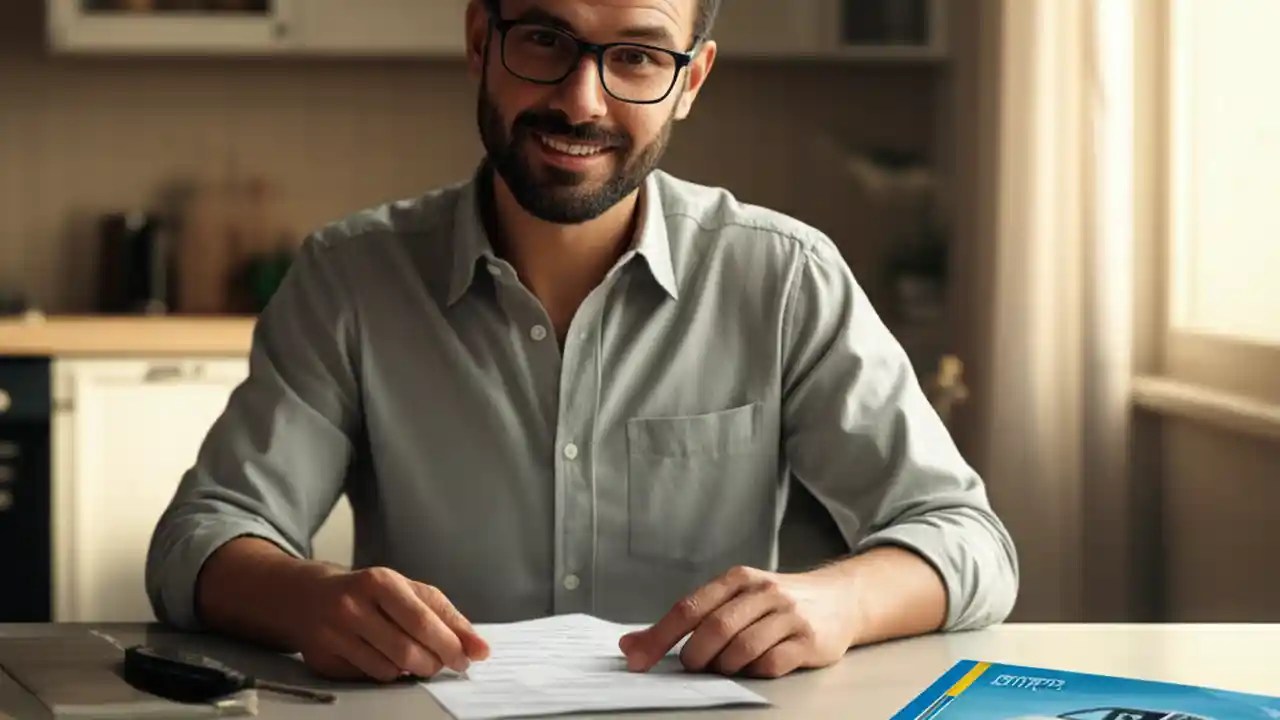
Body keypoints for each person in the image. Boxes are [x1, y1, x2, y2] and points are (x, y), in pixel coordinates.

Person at [146, 0, 1018, 683]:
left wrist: (839, 602)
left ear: (691, 79)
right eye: (544, 41)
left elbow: (967, 541)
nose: (581, 98)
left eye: (637, 55)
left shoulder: (784, 279)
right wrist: (312, 600)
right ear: (480, 41)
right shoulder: (351, 279)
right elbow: (202, 538)